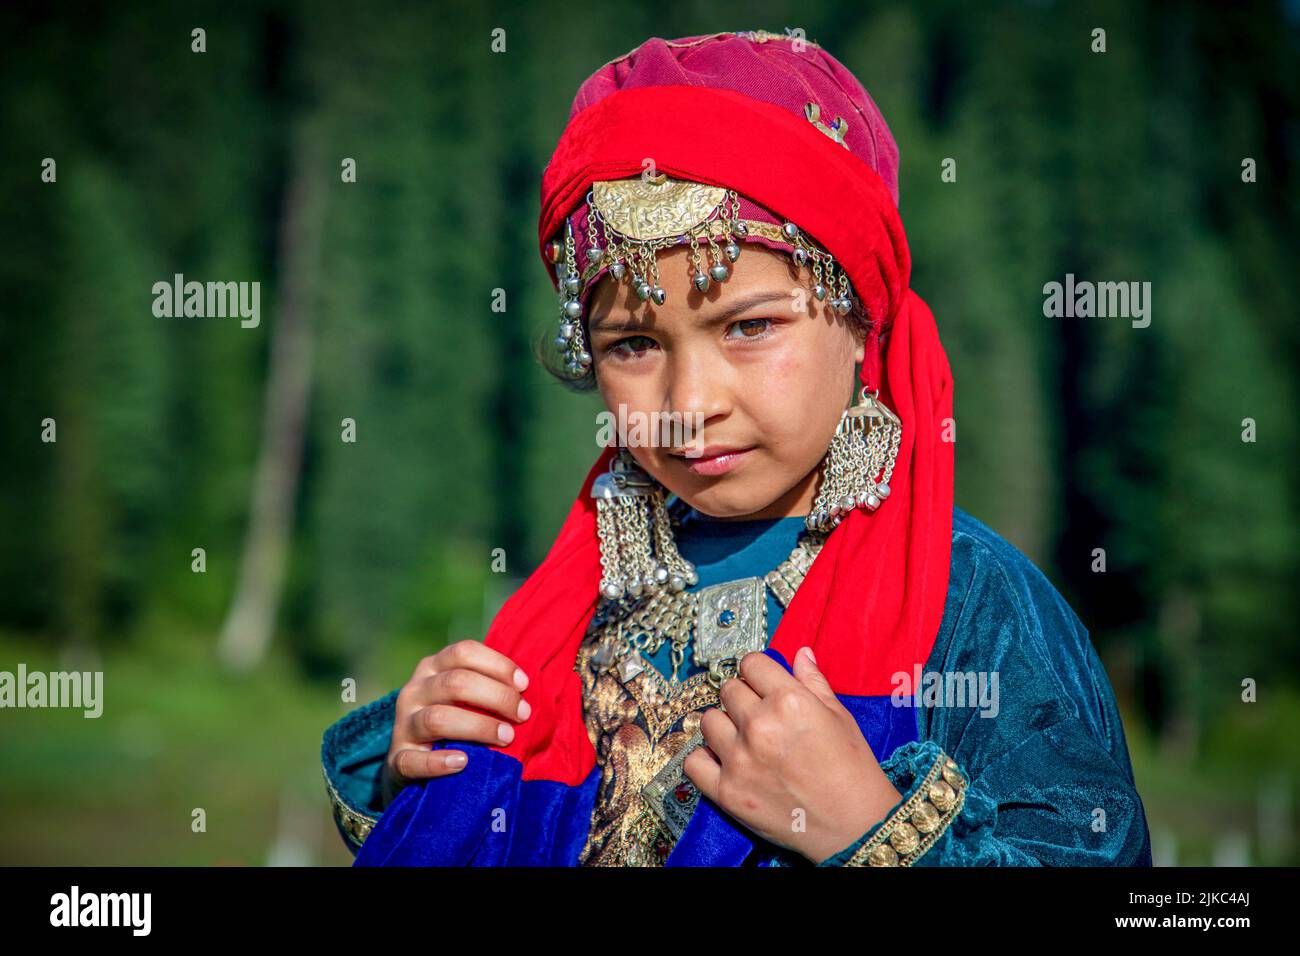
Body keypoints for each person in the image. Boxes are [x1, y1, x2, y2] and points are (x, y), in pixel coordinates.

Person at [320, 28, 1153, 867]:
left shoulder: (975, 608)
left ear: (863, 317)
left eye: (749, 327)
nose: (690, 405)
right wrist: (417, 777)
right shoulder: (573, 608)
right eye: (633, 346)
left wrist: (872, 832)